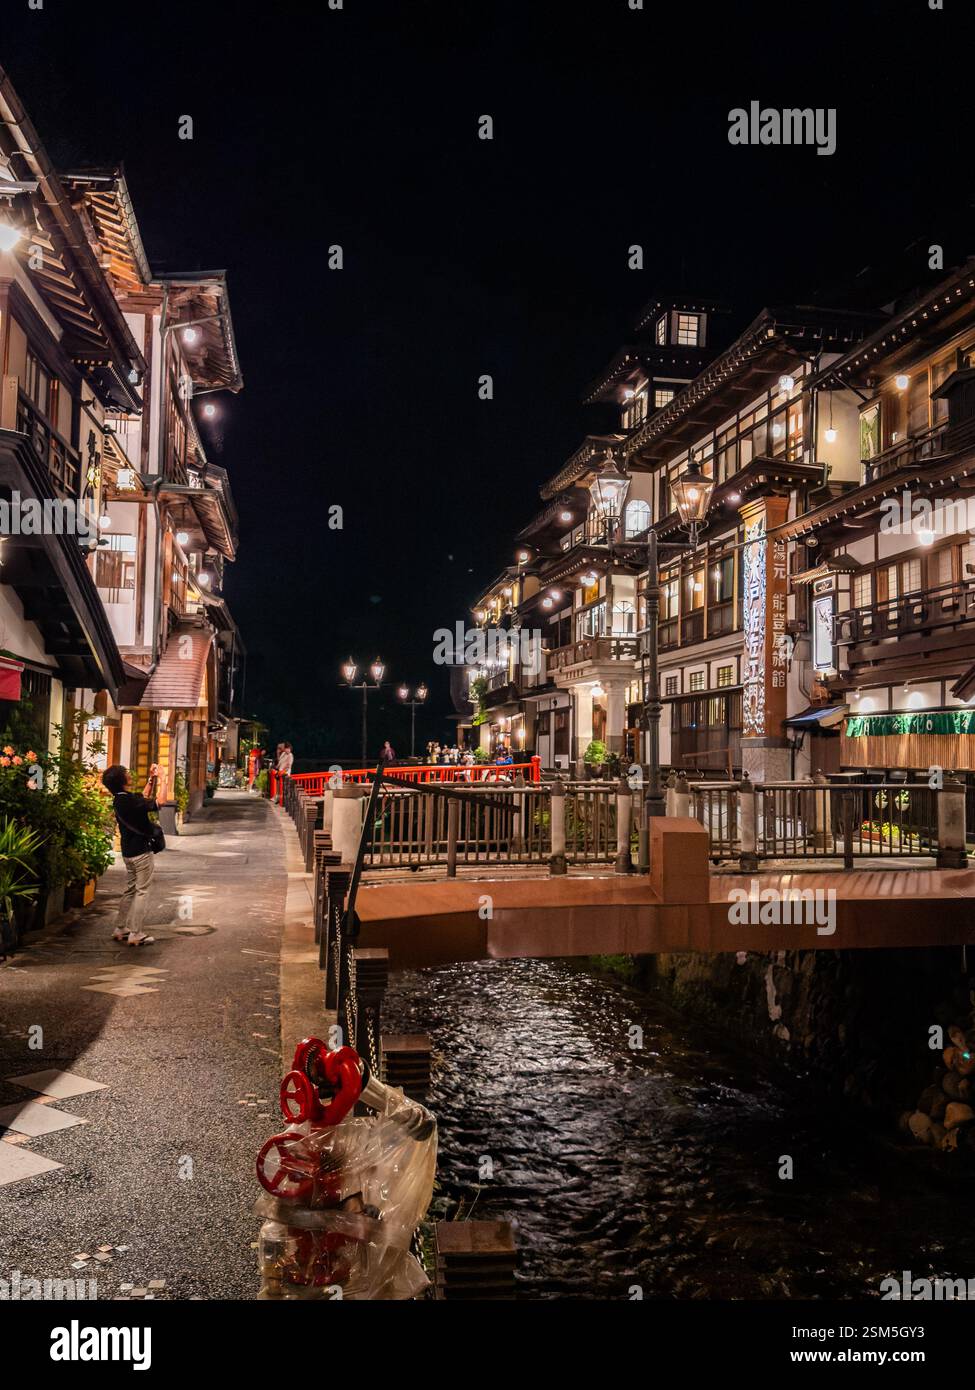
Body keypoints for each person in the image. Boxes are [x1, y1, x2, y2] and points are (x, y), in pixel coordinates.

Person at [102, 763, 168, 947]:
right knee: (142, 891)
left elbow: (144, 798)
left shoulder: (120, 799)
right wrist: (163, 778)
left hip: (128, 852)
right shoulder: (128, 801)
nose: (129, 774)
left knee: (131, 889)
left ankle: (120, 928)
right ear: (122, 780)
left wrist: (151, 779)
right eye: (126, 773)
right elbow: (159, 802)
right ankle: (136, 933)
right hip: (141, 852)